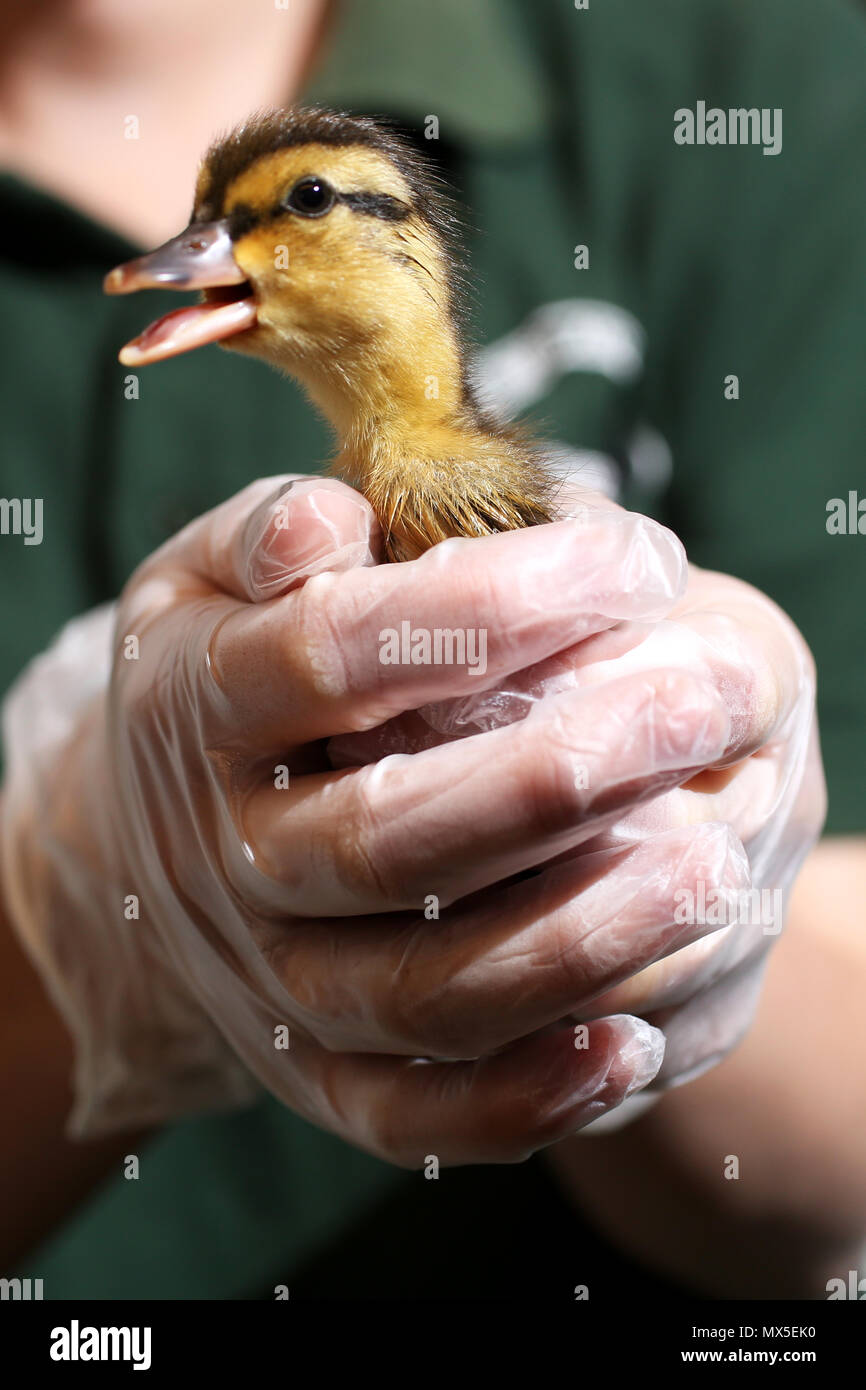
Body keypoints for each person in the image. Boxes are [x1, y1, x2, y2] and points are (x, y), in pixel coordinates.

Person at [0, 0, 864, 1301]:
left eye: (280, 209)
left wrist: (662, 936)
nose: (218, 252)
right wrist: (78, 900)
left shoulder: (737, 68)